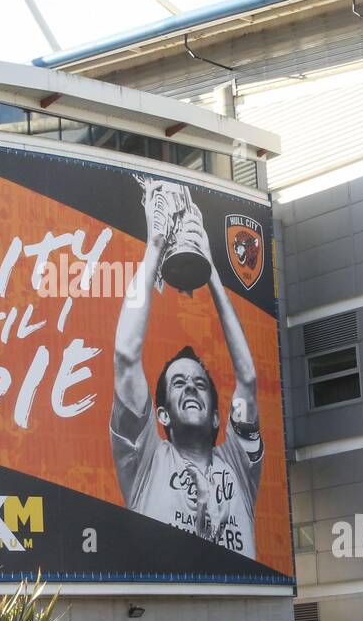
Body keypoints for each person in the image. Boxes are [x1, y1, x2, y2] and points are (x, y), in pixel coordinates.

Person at [111, 179, 263, 558]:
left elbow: (248, 377)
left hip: (235, 598)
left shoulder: (238, 466)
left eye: (198, 383)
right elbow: (126, 354)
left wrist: (210, 271)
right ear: (160, 414)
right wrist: (156, 246)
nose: (191, 388)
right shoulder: (145, 461)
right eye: (178, 383)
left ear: (216, 417)